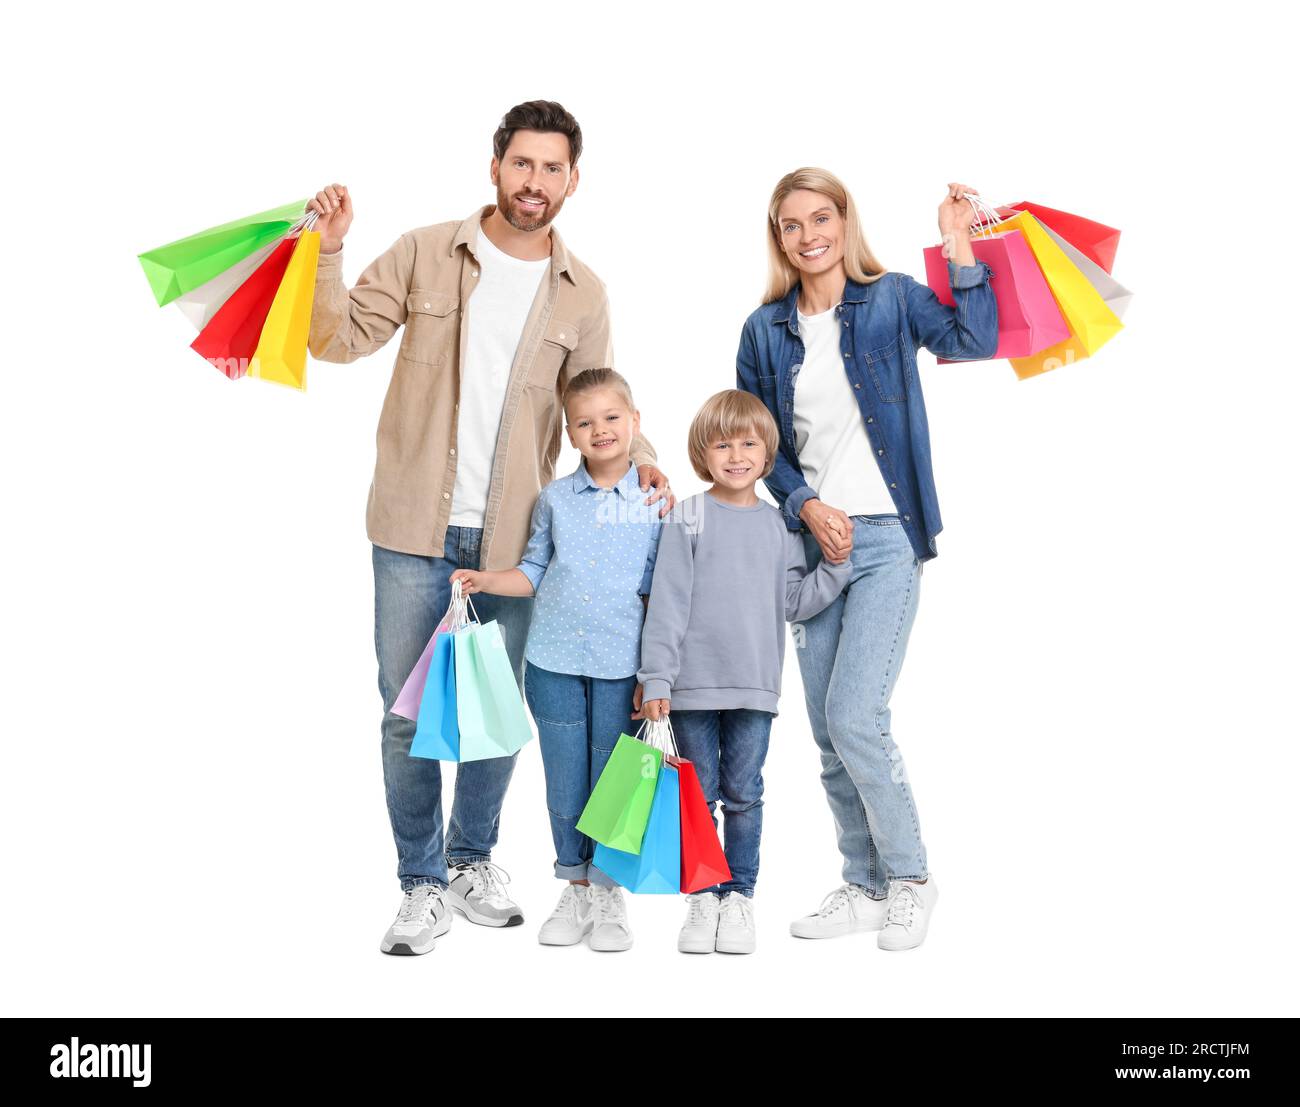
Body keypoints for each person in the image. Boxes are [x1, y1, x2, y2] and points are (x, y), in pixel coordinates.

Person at [306, 101, 675, 956]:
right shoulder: (426, 251)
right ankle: (421, 879)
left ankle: (473, 859)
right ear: (495, 166)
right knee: (406, 714)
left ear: (572, 180)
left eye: (552, 168)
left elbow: (598, 401)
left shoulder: (584, 295)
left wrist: (647, 459)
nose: (534, 182)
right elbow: (336, 338)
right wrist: (329, 251)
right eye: (522, 164)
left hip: (512, 540)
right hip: (410, 527)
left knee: (494, 711)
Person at [734, 169, 998, 951]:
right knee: (825, 728)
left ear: (845, 221)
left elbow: (973, 338)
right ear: (777, 237)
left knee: (857, 715)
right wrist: (804, 505)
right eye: (792, 224)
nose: (809, 234)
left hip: (885, 537)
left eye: (822, 217)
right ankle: (864, 883)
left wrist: (957, 243)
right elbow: (756, 446)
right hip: (811, 545)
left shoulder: (890, 298)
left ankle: (911, 877)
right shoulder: (763, 329)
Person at [450, 369, 662, 953]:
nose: (600, 430)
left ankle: (609, 889)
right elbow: (534, 571)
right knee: (565, 783)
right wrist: (485, 579)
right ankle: (574, 884)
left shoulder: (655, 499)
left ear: (635, 424)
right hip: (554, 663)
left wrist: (657, 673)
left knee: (614, 782)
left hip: (623, 668)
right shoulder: (554, 501)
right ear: (569, 433)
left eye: (612, 418)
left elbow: (664, 592)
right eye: (585, 422)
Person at [635, 390, 852, 954]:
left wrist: (837, 564)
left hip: (755, 688)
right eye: (722, 444)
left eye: (748, 443)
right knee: (699, 794)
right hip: (690, 688)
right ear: (702, 454)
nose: (736, 455)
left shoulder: (780, 526)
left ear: (766, 451)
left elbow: (794, 601)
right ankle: (702, 895)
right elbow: (667, 602)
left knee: (744, 794)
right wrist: (656, 679)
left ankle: (740, 897)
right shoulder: (687, 516)